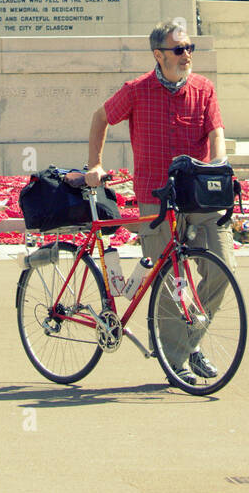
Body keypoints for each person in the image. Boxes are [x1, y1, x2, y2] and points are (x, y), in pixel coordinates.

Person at [84, 20, 235, 387]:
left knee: (223, 266)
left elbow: (216, 130)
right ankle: (176, 360)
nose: (187, 55)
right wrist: (95, 165)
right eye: (179, 49)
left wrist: (217, 163)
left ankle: (190, 340)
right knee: (170, 278)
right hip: (155, 198)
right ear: (158, 55)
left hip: (199, 194)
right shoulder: (137, 90)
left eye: (189, 48)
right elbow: (101, 117)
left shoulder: (203, 88)